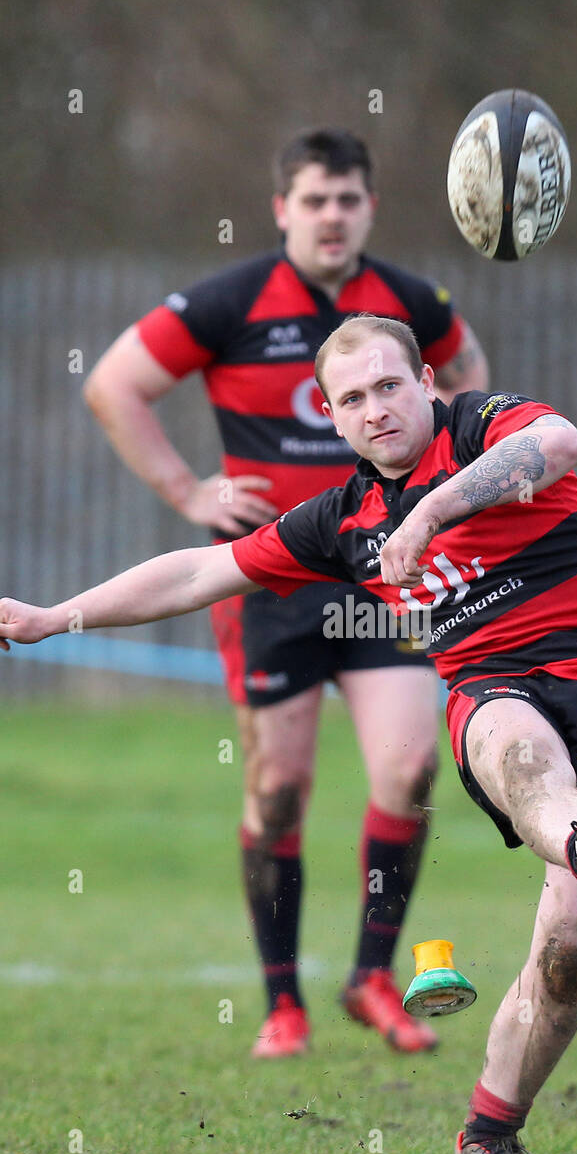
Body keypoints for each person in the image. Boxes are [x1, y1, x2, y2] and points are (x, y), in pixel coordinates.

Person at [0, 314, 577, 1154]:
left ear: (426, 381)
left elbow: (560, 441)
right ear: (332, 417)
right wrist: (57, 615)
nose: (376, 409)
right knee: (514, 745)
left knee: (569, 956)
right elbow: (199, 573)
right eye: (353, 399)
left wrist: (432, 510)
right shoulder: (341, 520)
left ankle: (488, 1138)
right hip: (495, 694)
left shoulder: (477, 426)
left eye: (390, 386)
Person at [82, 129, 489, 1058]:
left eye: (348, 198)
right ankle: (281, 1002)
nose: (333, 216)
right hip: (268, 576)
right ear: (282, 209)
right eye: (314, 200)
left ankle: (373, 977)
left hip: (384, 567)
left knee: (410, 769)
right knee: (278, 788)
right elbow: (113, 385)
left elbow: (469, 380)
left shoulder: (414, 301)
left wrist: (439, 489)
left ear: (370, 205)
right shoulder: (231, 301)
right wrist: (189, 491)